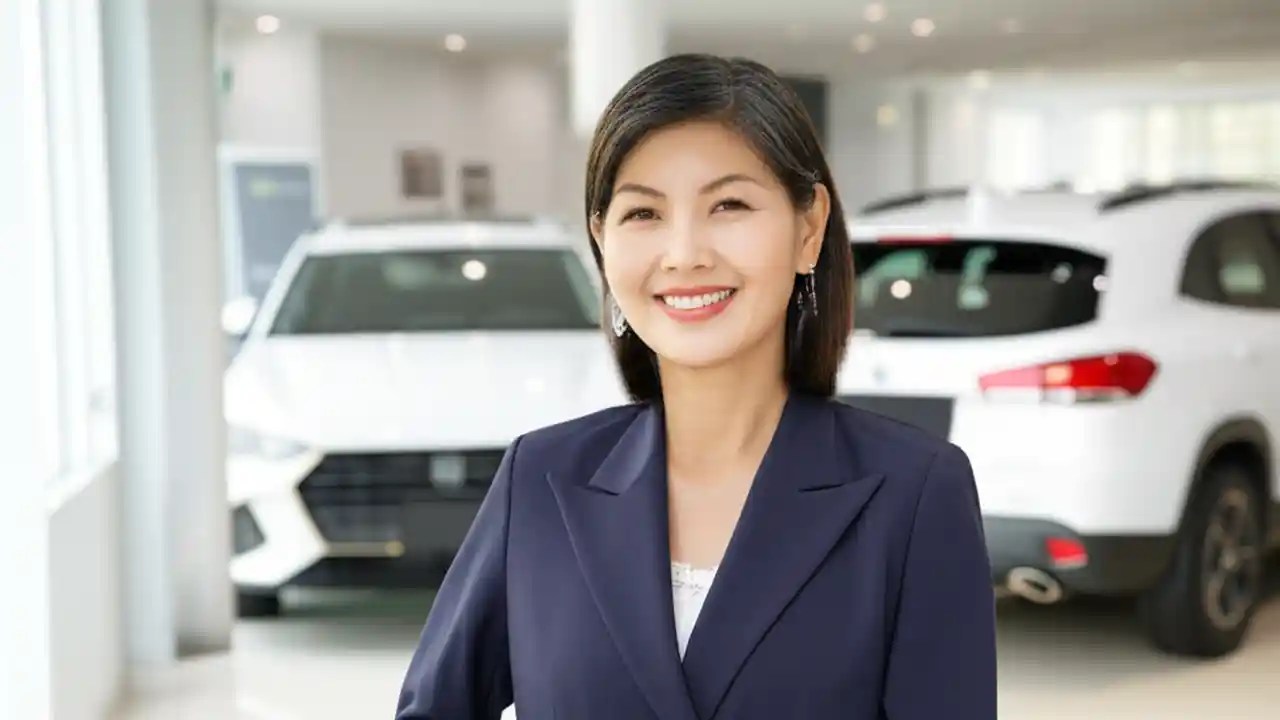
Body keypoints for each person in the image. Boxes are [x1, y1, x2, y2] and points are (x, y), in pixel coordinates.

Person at [395, 53, 996, 720]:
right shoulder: (541, 479)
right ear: (602, 240)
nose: (684, 253)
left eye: (729, 205)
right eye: (643, 214)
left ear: (809, 227)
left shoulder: (913, 492)